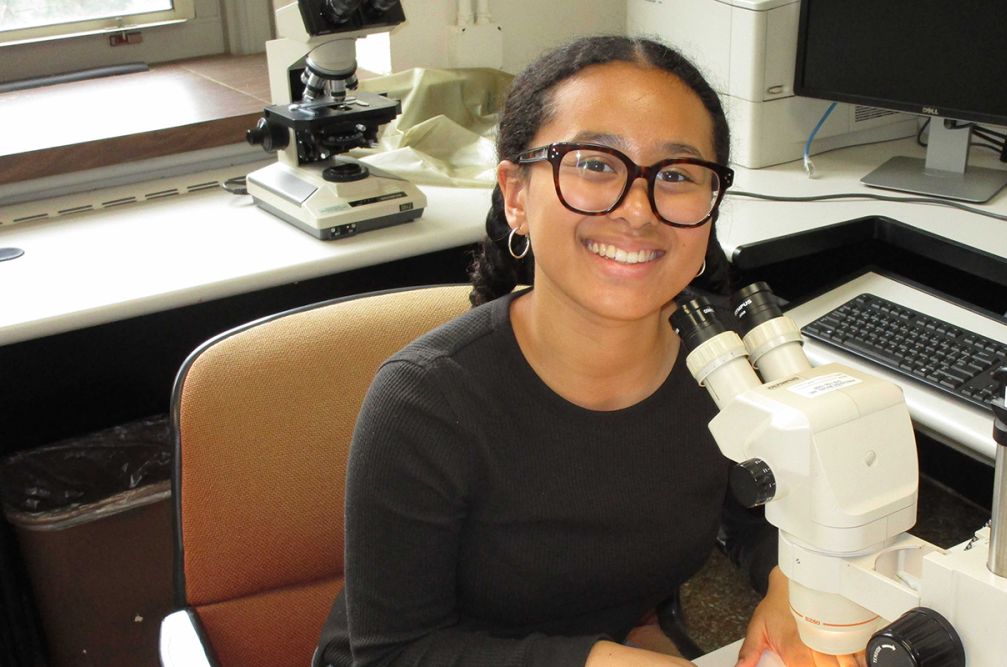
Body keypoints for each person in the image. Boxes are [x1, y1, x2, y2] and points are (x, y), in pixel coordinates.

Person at [314, 35, 863, 667]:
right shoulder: (426, 401)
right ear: (517, 195)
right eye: (596, 164)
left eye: (678, 175)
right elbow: (392, 656)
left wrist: (788, 582)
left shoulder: (723, 369)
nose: (637, 210)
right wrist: (594, 661)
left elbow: (756, 507)